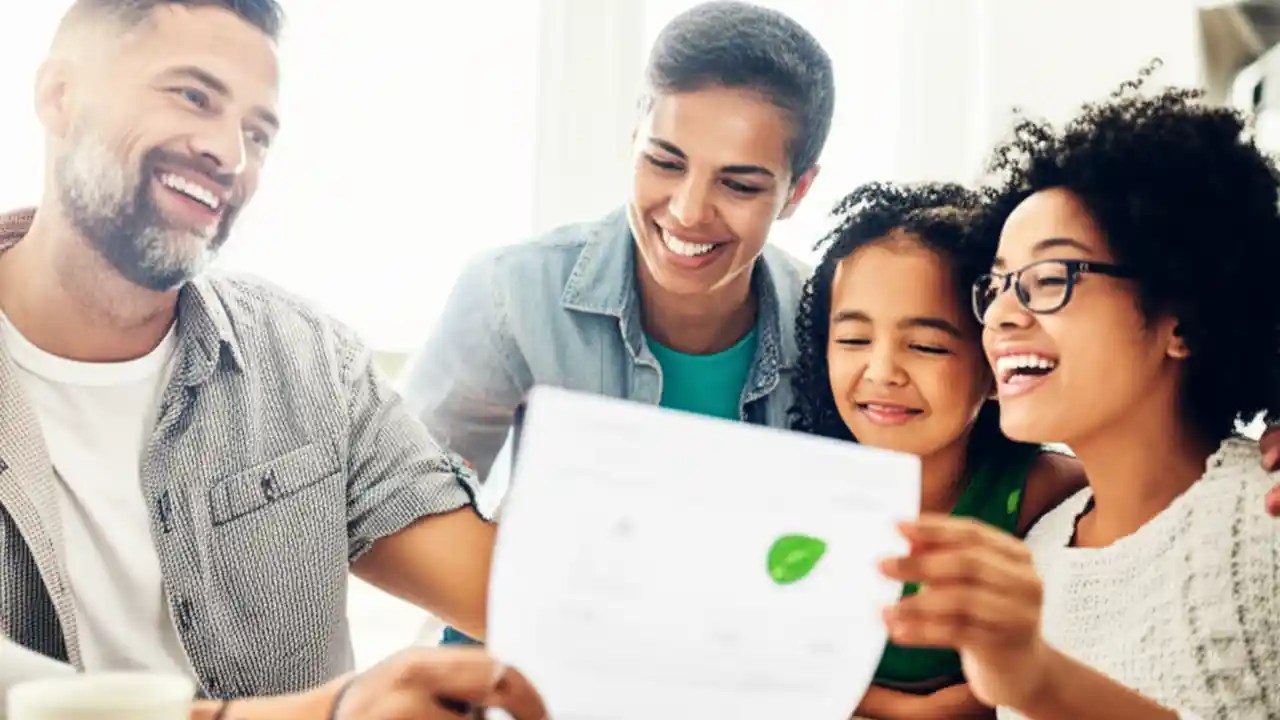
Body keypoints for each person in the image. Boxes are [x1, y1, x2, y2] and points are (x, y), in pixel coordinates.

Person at [0, 0, 494, 700]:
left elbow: (506, 593)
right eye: (194, 96)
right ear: (61, 95)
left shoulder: (312, 364)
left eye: (257, 135)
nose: (229, 155)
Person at [401, 0, 834, 645]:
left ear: (796, 192)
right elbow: (399, 509)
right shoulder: (512, 293)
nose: (688, 211)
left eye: (739, 185)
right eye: (665, 161)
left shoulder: (828, 324)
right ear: (634, 139)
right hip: (517, 666)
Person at [879, 85, 1280, 718]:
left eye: (1049, 279)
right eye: (998, 285)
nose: (1002, 316)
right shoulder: (1036, 555)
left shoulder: (1265, 523)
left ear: (1182, 319)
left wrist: (1041, 681)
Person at [791, 182, 1085, 719]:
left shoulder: (1043, 491)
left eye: (926, 346)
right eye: (854, 340)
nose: (881, 373)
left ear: (995, 361)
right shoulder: (799, 492)